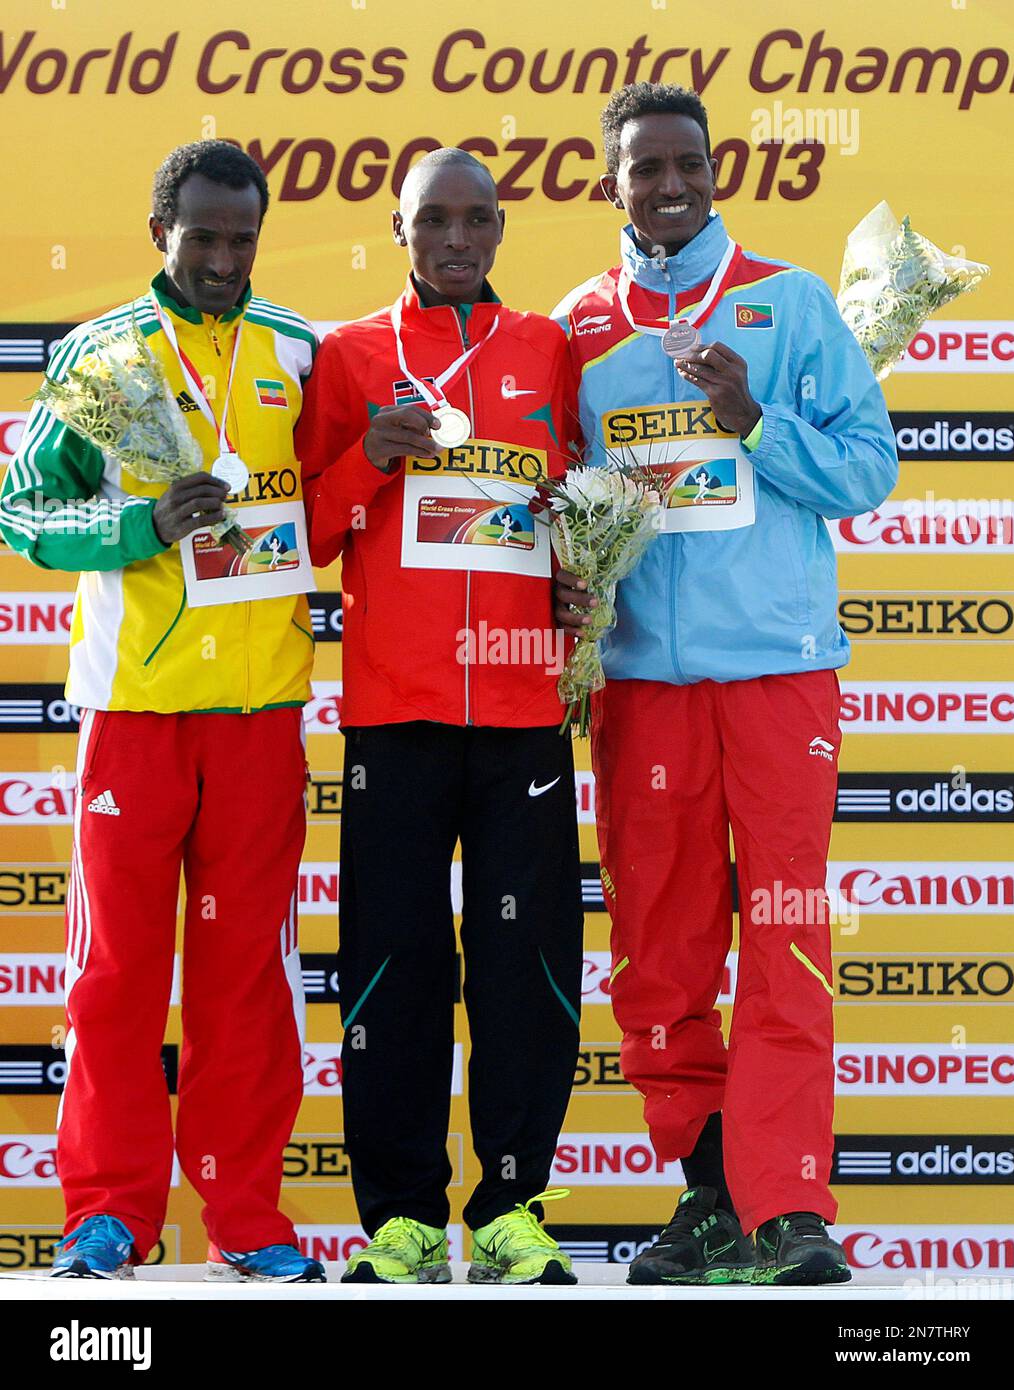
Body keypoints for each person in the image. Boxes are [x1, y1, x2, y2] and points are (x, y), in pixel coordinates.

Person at [553, 83, 898, 1286]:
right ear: (614, 183)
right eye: (645, 168)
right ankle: (709, 1191)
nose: (670, 185)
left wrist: (754, 422)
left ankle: (791, 1203)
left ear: (714, 170)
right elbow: (555, 506)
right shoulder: (579, 327)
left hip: (778, 678)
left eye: (687, 163)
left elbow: (869, 472)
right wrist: (569, 590)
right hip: (643, 687)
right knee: (660, 953)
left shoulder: (792, 301)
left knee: (790, 935)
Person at [0, 141, 325, 1283]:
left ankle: (246, 1212)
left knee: (246, 978)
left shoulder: (298, 349)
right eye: (203, 239)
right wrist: (141, 529)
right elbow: (22, 511)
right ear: (161, 235)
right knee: (117, 975)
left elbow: (330, 504)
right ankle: (109, 1211)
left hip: (258, 713)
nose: (225, 259)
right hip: (133, 709)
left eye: (242, 238)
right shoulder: (99, 356)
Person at [295, 148, 583, 1286]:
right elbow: (307, 535)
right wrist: (369, 457)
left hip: (522, 709)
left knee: (528, 967)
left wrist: (581, 567)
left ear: (501, 230)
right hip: (396, 716)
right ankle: (402, 1219)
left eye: (476, 220)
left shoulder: (550, 350)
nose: (457, 240)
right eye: (434, 222)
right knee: (393, 966)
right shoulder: (352, 353)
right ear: (398, 229)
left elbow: (584, 505)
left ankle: (514, 1210)